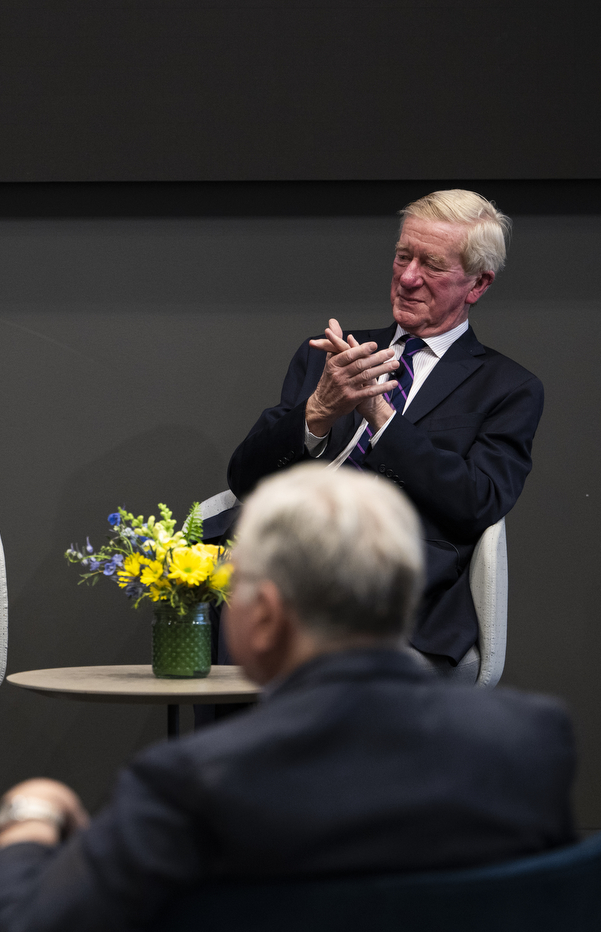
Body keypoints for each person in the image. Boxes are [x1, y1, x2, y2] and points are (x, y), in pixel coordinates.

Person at [0, 465, 575, 932]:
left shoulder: (191, 784)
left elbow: (14, 923)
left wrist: (32, 813)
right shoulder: (531, 742)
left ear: (266, 616)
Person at [223, 190, 543, 682]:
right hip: (285, 563)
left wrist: (382, 417)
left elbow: (478, 501)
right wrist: (319, 410)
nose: (408, 277)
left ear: (478, 283)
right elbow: (246, 480)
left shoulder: (507, 388)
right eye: (402, 256)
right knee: (215, 600)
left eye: (432, 264)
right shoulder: (332, 356)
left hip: (397, 585)